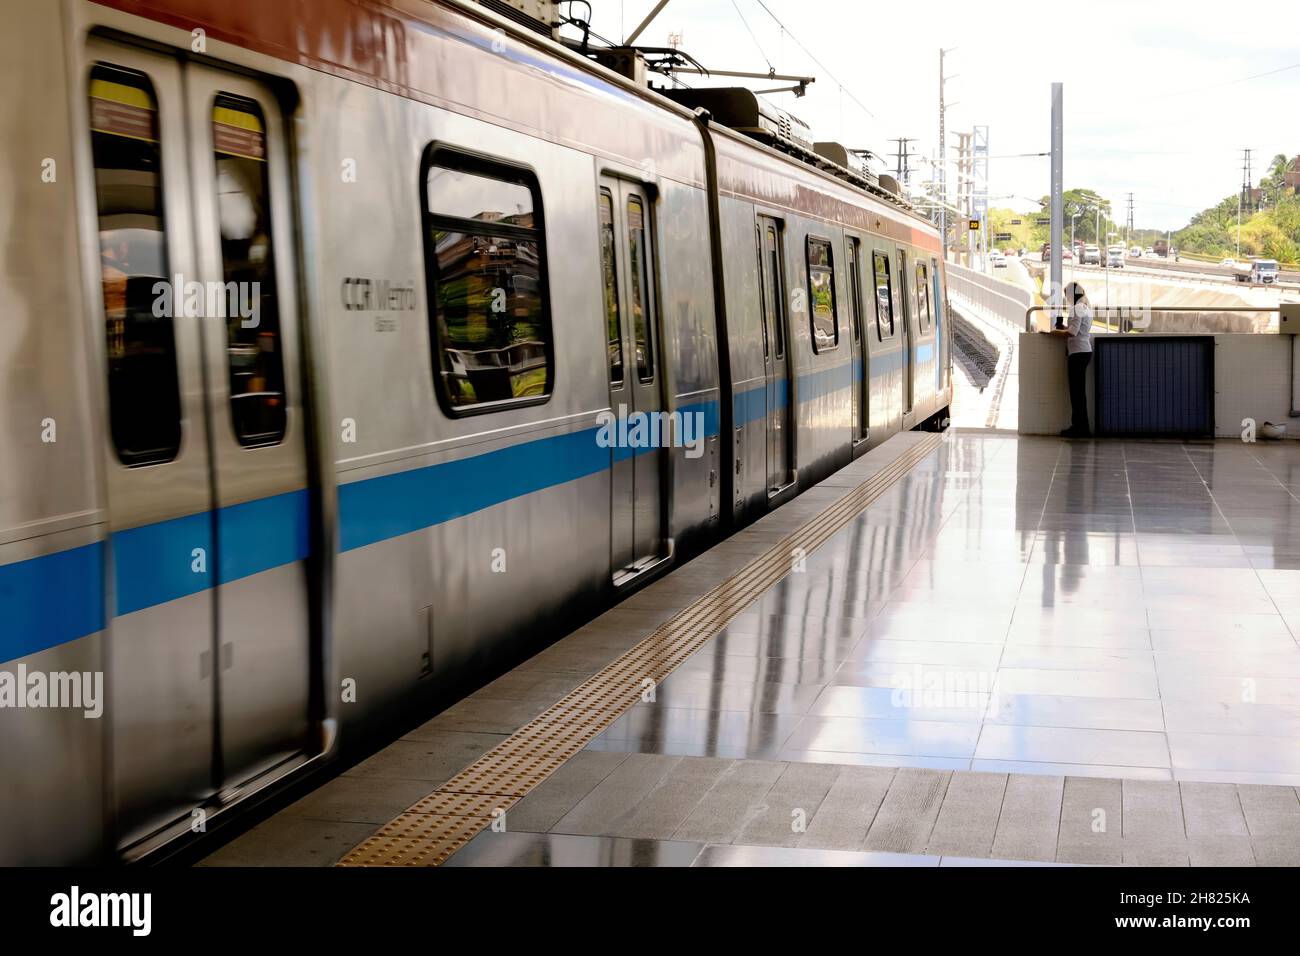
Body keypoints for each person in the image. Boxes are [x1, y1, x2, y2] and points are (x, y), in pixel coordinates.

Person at [1060, 281, 1092, 438]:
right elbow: (1078, 330)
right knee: (1079, 392)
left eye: (1067, 295)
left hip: (1077, 353)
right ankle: (1082, 426)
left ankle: (1078, 427)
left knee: (1076, 392)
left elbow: (1072, 332)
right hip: (1084, 351)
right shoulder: (1085, 307)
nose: (1067, 299)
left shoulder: (1076, 308)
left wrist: (1055, 332)